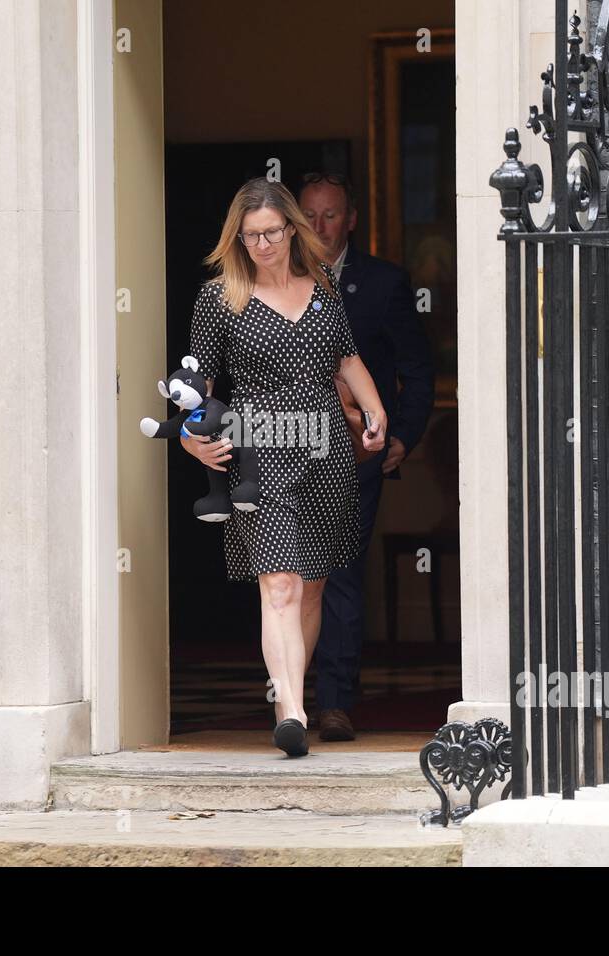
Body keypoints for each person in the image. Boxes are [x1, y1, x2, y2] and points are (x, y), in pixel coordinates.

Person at [179, 177, 387, 757]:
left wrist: (375, 410)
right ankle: (294, 709)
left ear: (292, 230)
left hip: (325, 449)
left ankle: (285, 697)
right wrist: (193, 443)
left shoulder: (322, 287)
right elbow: (196, 385)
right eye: (250, 237)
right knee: (280, 582)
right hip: (255, 452)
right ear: (236, 239)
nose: (263, 244)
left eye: (271, 232)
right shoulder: (220, 298)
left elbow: (347, 358)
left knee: (313, 586)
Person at [297, 171, 434, 742]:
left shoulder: (384, 283)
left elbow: (416, 367)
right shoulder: (274, 281)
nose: (322, 226)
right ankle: (287, 698)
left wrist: (403, 434)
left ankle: (333, 702)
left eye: (332, 215)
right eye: (311, 216)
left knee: (341, 573)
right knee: (284, 576)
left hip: (356, 450)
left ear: (350, 219)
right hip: (286, 446)